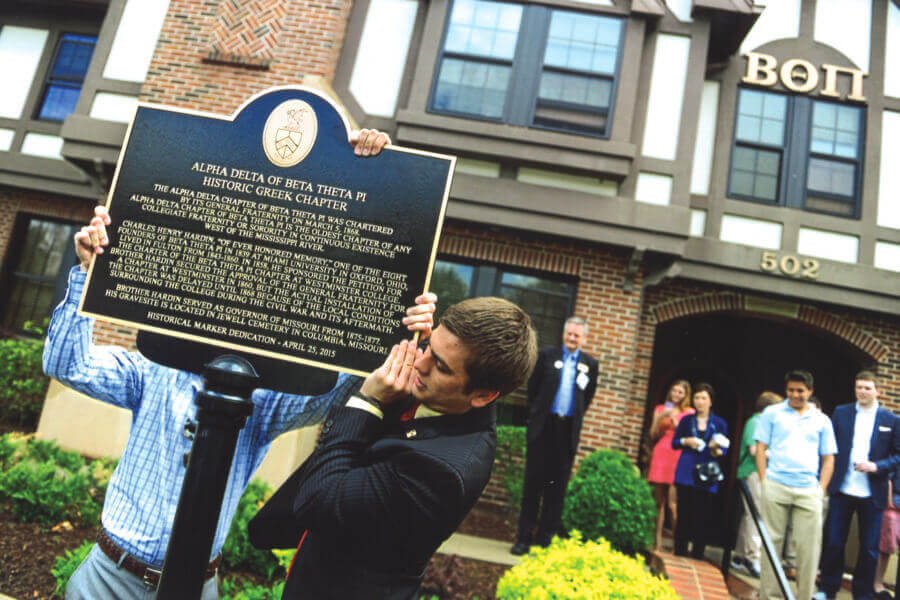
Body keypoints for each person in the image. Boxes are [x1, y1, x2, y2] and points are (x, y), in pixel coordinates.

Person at [44, 130, 440, 600]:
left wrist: (396, 328)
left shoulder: (264, 401)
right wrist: (85, 272)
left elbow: (342, 392)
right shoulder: (151, 370)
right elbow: (67, 364)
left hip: (197, 586)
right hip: (109, 578)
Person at [248, 297, 538, 599]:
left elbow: (319, 500)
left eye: (440, 365)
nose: (420, 363)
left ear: (483, 395)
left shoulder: (443, 470)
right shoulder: (443, 391)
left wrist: (367, 402)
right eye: (429, 347)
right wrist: (403, 327)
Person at [510, 316, 599, 555]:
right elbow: (533, 391)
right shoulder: (546, 356)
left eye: (577, 335)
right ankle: (523, 539)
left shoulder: (590, 364)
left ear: (584, 338)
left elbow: (586, 398)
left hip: (566, 431)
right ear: (563, 334)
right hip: (543, 429)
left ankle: (545, 541)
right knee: (533, 486)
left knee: (556, 490)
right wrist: (538, 417)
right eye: (569, 333)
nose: (572, 338)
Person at [817, 371, 900, 600]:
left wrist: (877, 466)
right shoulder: (841, 413)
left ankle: (862, 594)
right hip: (842, 488)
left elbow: (898, 455)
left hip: (872, 492)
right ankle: (827, 589)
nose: (862, 392)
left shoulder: (891, 420)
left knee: (869, 548)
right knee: (834, 542)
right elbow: (829, 447)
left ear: (878, 391)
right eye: (859, 387)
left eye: (867, 388)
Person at [755, 370, 837, 600]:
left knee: (808, 549)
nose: (795, 395)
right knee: (771, 543)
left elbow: (829, 458)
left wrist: (820, 489)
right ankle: (768, 596)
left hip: (808, 490)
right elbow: (760, 448)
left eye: (800, 391)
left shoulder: (822, 420)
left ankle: (803, 596)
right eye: (791, 390)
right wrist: (764, 481)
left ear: (810, 391)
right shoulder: (772, 413)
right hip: (776, 485)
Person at [670, 383, 729, 558]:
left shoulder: (719, 423)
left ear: (710, 401)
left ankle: (698, 553)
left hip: (707, 472)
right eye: (697, 397)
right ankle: (680, 550)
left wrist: (716, 449)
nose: (700, 401)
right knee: (684, 511)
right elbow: (675, 443)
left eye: (704, 398)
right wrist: (686, 441)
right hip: (687, 469)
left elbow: (724, 450)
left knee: (702, 514)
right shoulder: (686, 420)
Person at [732, 391, 782, 577]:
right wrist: (777, 454)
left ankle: (739, 555)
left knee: (749, 514)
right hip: (752, 472)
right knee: (756, 514)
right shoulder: (755, 423)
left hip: (756, 472)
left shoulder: (763, 424)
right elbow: (754, 450)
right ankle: (752, 557)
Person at [647, 379, 693, 550]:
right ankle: (657, 543)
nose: (676, 395)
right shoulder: (660, 408)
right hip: (661, 453)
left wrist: (675, 421)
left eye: (680, 392)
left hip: (677, 455)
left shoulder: (689, 412)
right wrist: (660, 417)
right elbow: (653, 434)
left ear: (685, 395)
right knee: (658, 502)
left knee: (673, 504)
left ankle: (677, 543)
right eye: (674, 391)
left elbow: (687, 435)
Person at [873, 468, 900, 600]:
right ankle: (877, 584)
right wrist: (889, 504)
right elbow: (888, 479)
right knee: (886, 547)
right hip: (894, 506)